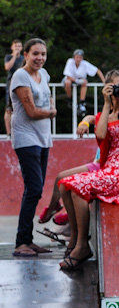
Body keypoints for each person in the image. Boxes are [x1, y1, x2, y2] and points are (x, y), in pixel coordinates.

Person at [57, 70, 119, 271]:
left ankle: (82, 245)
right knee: (64, 185)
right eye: (117, 87)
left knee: (76, 188)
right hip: (108, 168)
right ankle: (76, 238)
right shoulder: (105, 114)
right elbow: (100, 135)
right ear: (108, 89)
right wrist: (107, 103)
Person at [9, 38, 57, 258]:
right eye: (35, 53)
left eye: (43, 54)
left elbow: (48, 99)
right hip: (26, 138)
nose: (40, 58)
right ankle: (21, 243)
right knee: (35, 188)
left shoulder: (44, 74)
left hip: (43, 138)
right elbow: (31, 111)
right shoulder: (20, 76)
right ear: (26, 55)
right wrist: (51, 112)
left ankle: (27, 240)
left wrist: (51, 108)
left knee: (34, 191)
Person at [61, 48, 105, 115]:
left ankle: (82, 102)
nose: (78, 59)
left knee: (84, 82)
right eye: (77, 57)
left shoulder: (85, 64)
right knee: (67, 82)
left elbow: (97, 71)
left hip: (80, 81)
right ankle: (70, 99)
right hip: (70, 80)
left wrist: (104, 82)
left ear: (82, 58)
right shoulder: (70, 61)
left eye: (80, 57)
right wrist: (77, 80)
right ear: (74, 57)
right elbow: (68, 76)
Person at [4, 38, 24, 136]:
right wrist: (14, 57)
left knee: (22, 107)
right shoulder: (8, 57)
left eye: (19, 46)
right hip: (11, 84)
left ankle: (19, 131)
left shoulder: (24, 58)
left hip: (22, 84)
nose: (17, 48)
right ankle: (9, 133)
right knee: (9, 109)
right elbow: (7, 67)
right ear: (12, 47)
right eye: (16, 46)